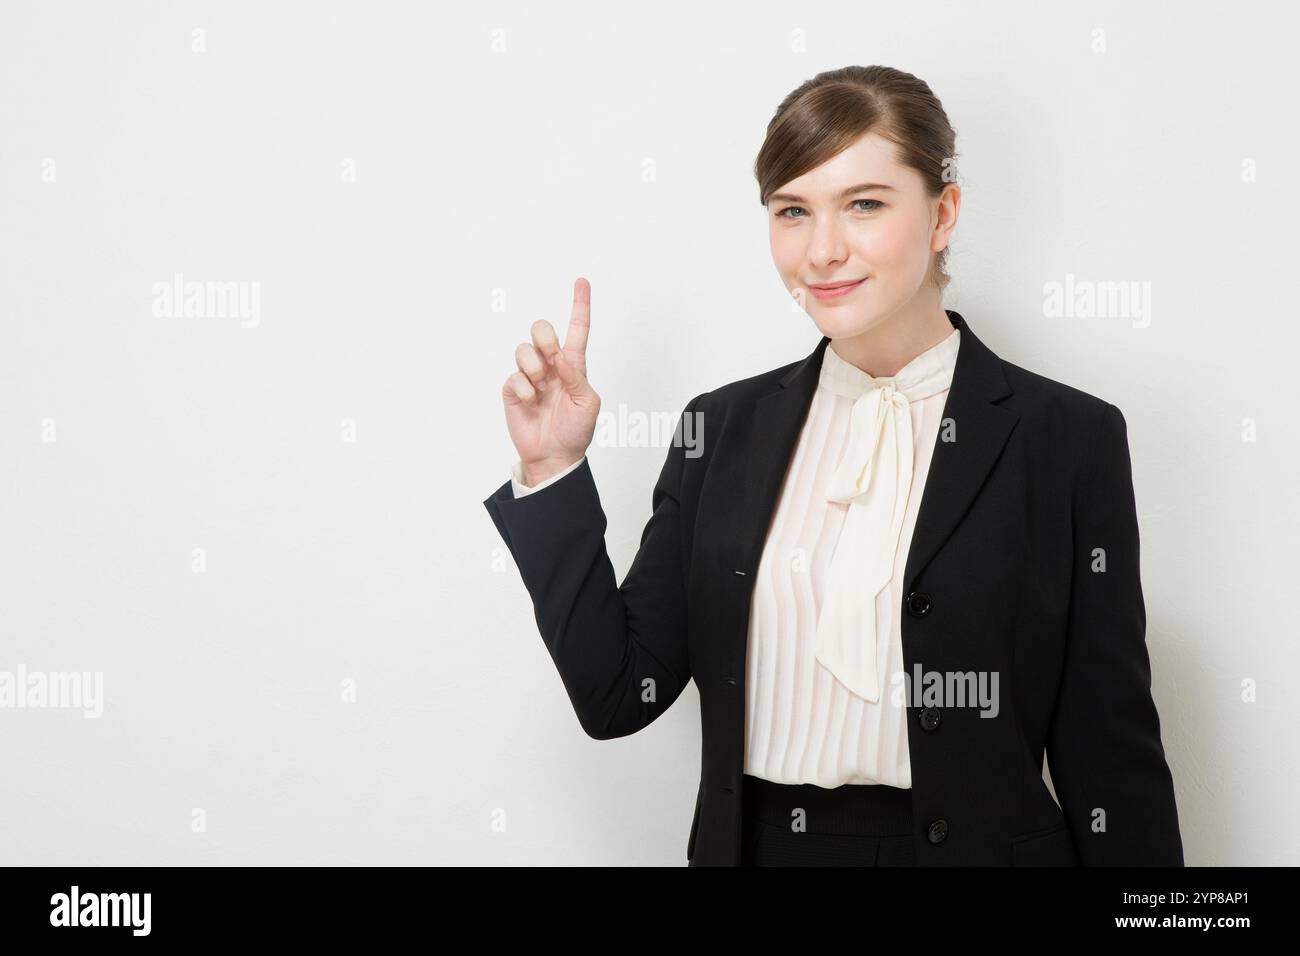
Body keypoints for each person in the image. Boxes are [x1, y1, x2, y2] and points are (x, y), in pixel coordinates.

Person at [482, 65, 1183, 866]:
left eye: (865, 204)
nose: (822, 250)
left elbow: (1110, 753)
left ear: (942, 213)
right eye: (792, 211)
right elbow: (618, 693)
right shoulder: (721, 428)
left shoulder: (1065, 437)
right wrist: (554, 470)